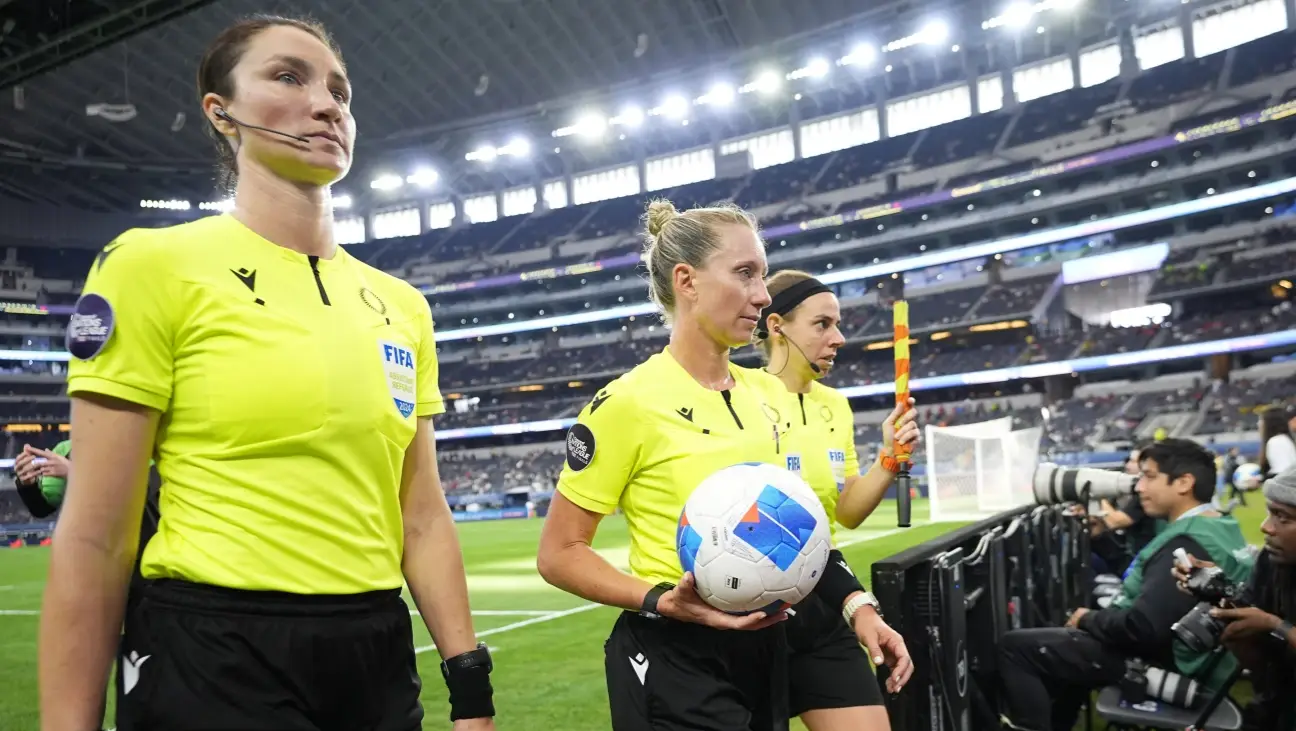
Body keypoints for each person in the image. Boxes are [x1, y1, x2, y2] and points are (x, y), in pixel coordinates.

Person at [39, 15, 494, 731]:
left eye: (340, 91)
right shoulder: (151, 265)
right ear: (222, 113)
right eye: (289, 77)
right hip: (214, 651)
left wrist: (471, 689)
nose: (327, 104)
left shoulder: (403, 306)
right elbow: (97, 537)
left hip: (375, 653)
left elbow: (422, 514)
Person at [537, 199, 798, 731]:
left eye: (763, 275)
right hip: (674, 657)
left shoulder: (770, 393)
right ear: (687, 280)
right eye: (745, 273)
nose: (763, 294)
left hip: (767, 648)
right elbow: (559, 553)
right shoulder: (628, 402)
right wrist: (660, 601)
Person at [753, 269, 916, 730]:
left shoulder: (835, 405)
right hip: (756, 612)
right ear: (777, 325)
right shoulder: (741, 400)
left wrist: (888, 458)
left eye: (838, 324)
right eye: (822, 324)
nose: (839, 337)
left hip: (822, 603)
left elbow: (846, 513)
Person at [996, 438, 1251, 731]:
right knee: (1065, 648)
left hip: (1169, 666)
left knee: (1015, 647)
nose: (1139, 486)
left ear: (1183, 483)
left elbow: (1142, 628)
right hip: (1205, 661)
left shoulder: (1186, 540)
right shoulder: (1220, 525)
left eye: (1149, 476)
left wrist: (1089, 619)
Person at [1174, 467, 1296, 730]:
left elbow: (1272, 626)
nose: (1266, 527)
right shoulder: (1272, 562)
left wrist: (1276, 627)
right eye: (1270, 512)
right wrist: (1221, 597)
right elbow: (1259, 664)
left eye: (1282, 517)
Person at [1260, 408, 1296, 478]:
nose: (1259, 424)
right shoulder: (1283, 439)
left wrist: (1261, 479)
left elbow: (1284, 475)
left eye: (1261, 420)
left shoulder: (1277, 441)